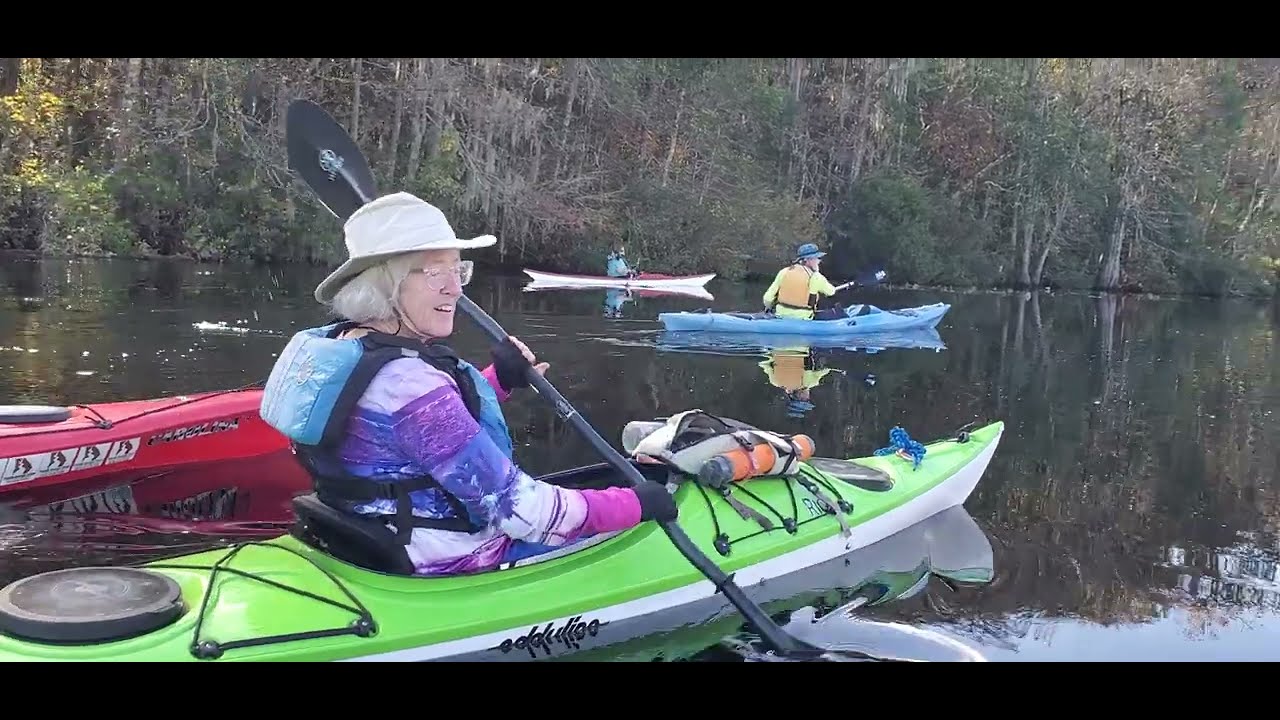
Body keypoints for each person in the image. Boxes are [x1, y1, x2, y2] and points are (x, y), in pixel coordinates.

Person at [259, 191, 678, 577]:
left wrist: (497, 382)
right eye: (434, 272)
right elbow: (520, 511)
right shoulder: (410, 385)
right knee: (621, 510)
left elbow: (411, 431)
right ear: (385, 284)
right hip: (443, 554)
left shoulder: (338, 344)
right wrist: (635, 505)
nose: (455, 288)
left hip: (363, 533)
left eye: (457, 269)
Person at [762, 243, 845, 320]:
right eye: (817, 258)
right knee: (837, 313)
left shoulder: (784, 272)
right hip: (804, 318)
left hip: (781, 315)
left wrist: (770, 308)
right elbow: (831, 292)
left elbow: (767, 299)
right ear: (808, 260)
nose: (818, 261)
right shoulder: (816, 276)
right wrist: (817, 273)